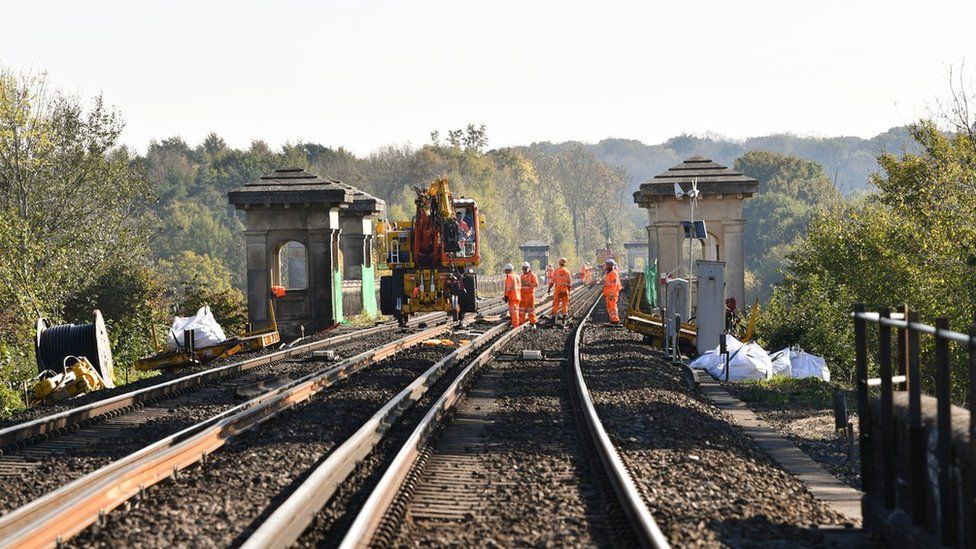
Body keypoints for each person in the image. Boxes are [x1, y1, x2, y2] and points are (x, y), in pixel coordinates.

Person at [548, 257, 572, 326]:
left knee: (555, 304)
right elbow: (570, 283)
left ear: (559, 263)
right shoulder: (567, 272)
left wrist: (549, 288)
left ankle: (553, 320)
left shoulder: (556, 271)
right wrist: (569, 291)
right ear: (565, 263)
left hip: (558, 291)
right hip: (565, 291)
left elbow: (552, 282)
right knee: (565, 304)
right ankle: (563, 320)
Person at [603, 258, 622, 324]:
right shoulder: (609, 273)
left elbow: (614, 285)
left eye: (606, 265)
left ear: (610, 265)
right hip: (609, 294)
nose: (605, 266)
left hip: (612, 294)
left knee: (613, 307)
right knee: (610, 307)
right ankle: (613, 320)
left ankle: (615, 320)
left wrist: (611, 293)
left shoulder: (613, 273)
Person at [519, 262, 538, 328]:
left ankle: (533, 322)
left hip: (529, 295)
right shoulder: (521, 276)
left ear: (529, 268)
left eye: (525, 268)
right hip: (522, 295)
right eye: (523, 269)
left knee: (530, 309)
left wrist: (528, 283)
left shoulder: (532, 275)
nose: (524, 270)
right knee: (521, 309)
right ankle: (521, 322)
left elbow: (536, 284)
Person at [503, 263, 521, 328]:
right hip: (517, 295)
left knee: (514, 311)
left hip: (512, 296)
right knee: (515, 310)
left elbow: (509, 287)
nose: (505, 272)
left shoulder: (510, 276)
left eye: (505, 270)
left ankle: (515, 325)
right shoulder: (517, 276)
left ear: (508, 270)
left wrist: (506, 296)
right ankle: (515, 323)